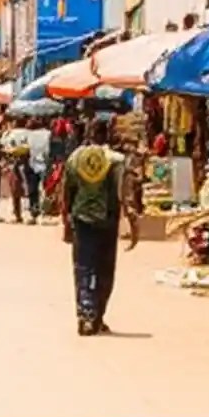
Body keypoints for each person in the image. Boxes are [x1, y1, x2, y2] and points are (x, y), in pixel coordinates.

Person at [62, 119, 137, 336]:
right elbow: (123, 195)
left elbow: (67, 191)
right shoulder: (116, 160)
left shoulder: (75, 158)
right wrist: (132, 223)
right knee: (105, 270)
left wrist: (65, 220)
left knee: (83, 268)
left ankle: (85, 314)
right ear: (110, 135)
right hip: (107, 221)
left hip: (82, 220)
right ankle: (98, 315)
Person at [23, 117, 50, 225]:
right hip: (45, 164)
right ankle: (43, 215)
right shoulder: (48, 134)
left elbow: (24, 150)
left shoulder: (28, 135)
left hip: (32, 164)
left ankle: (34, 214)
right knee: (45, 190)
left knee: (33, 191)